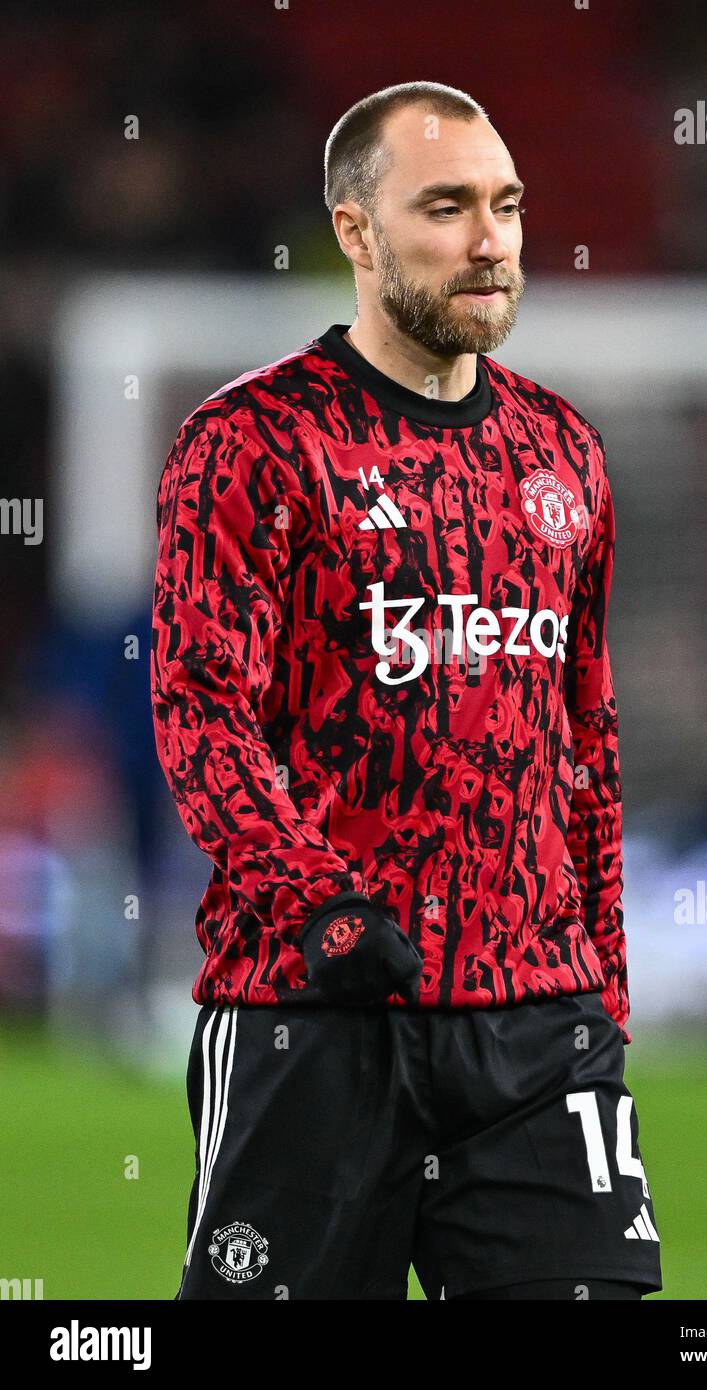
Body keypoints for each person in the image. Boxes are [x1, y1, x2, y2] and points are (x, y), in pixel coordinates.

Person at [151, 81, 662, 1301]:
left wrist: (605, 976)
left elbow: (583, 735)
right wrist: (321, 904)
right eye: (446, 207)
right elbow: (199, 714)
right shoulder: (253, 443)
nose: (490, 240)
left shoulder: (563, 452)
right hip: (314, 1015)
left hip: (538, 1019)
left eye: (507, 205)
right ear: (356, 231)